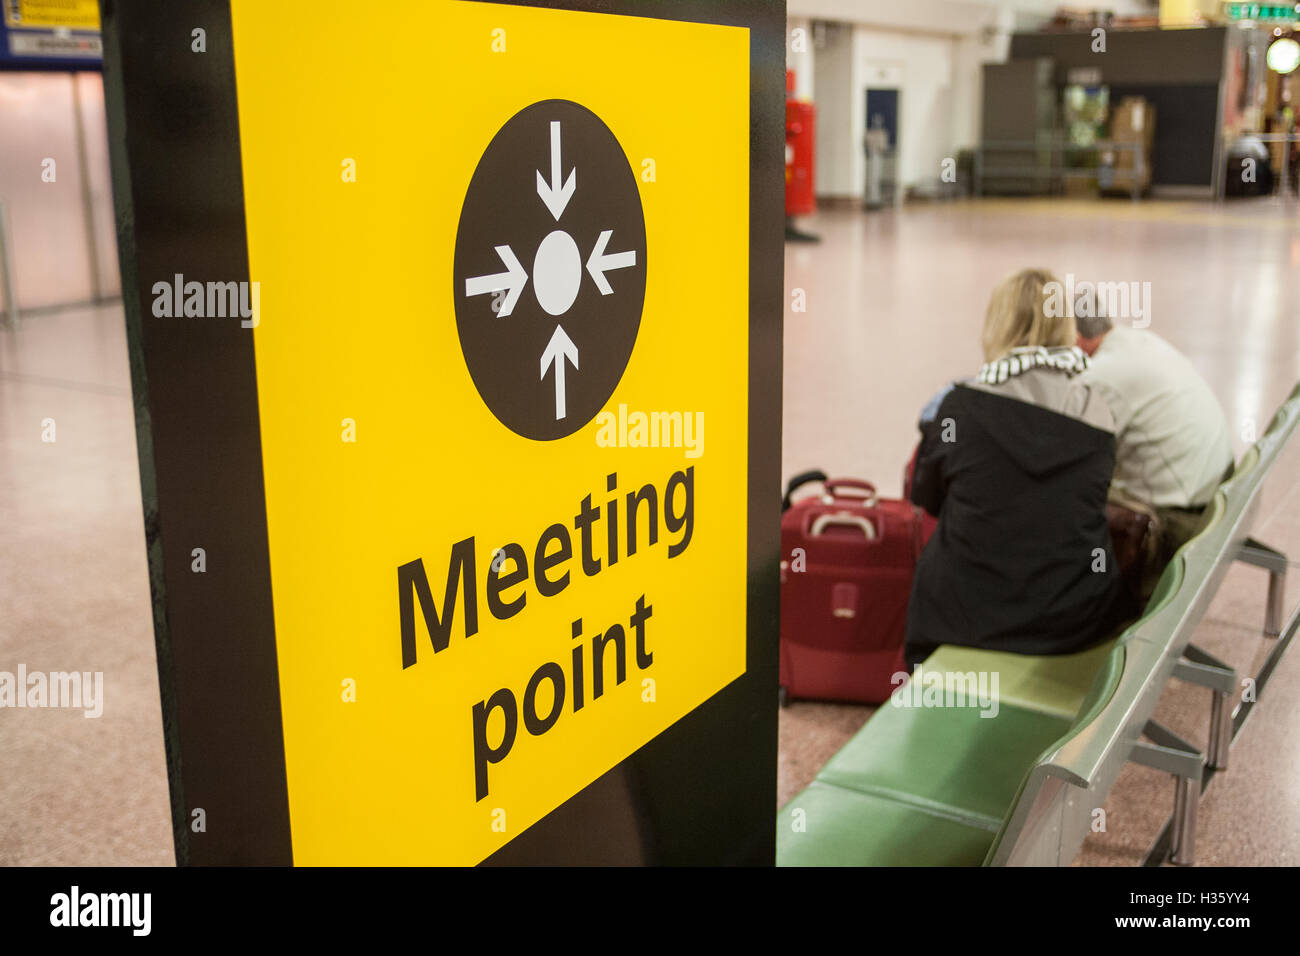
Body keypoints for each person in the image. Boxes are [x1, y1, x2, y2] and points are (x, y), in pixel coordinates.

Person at [905, 269, 1130, 670]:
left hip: (962, 617)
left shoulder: (959, 408)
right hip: (1077, 618)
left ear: (997, 326)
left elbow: (925, 498)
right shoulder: (1099, 413)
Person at [1074, 299, 1234, 589]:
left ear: (1074, 340)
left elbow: (1073, 459)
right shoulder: (1138, 341)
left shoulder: (1102, 374)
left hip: (1181, 518)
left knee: (1059, 502)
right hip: (1214, 493)